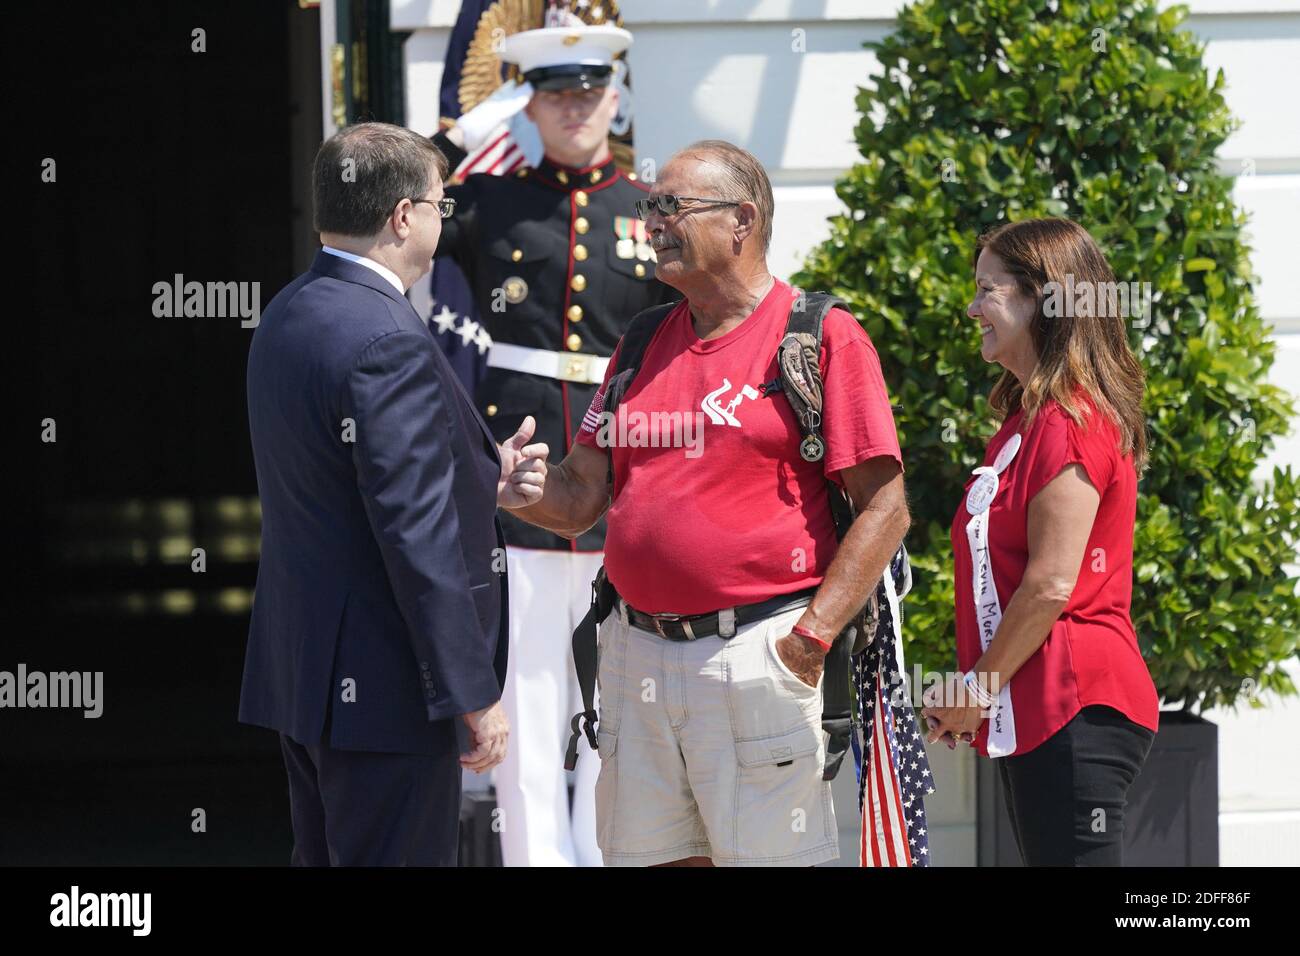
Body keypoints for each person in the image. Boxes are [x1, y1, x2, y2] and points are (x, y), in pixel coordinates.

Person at [505, 140, 910, 867]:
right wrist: (530, 492)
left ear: (741, 221)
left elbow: (886, 511)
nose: (650, 224)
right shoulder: (638, 342)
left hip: (758, 654)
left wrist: (809, 643)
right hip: (634, 658)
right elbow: (578, 496)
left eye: (669, 207)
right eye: (648, 208)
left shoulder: (819, 337)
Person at [239, 122, 549, 866]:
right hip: (385, 692)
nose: (446, 220)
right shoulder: (386, 338)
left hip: (309, 675)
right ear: (403, 216)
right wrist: (470, 693)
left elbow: (343, 480)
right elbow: (413, 535)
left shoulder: (290, 308)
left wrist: (480, 478)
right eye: (441, 204)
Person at [430, 20, 676, 867]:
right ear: (529, 103)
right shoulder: (487, 197)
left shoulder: (650, 210)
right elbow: (396, 201)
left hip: (626, 476)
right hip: (521, 475)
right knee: (529, 699)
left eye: (589, 92)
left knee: (617, 698)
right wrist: (456, 136)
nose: (576, 109)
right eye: (556, 95)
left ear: (615, 96)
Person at [922, 217, 1160, 866]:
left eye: (988, 291)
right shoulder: (1024, 422)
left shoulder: (1069, 420)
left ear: (1043, 299)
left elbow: (1052, 581)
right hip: (1037, 704)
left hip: (1077, 700)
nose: (972, 308)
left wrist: (974, 690)